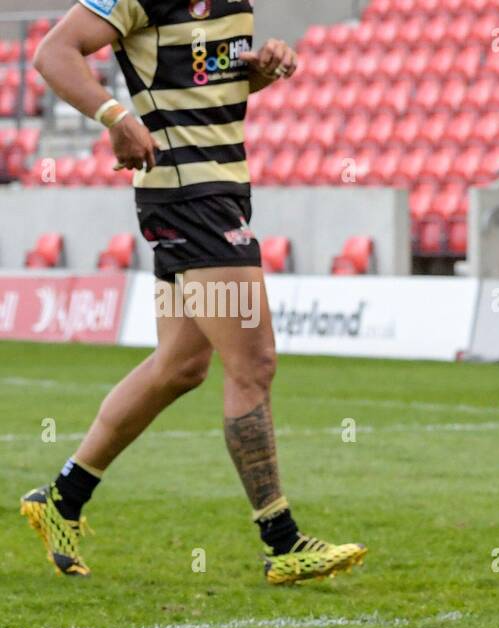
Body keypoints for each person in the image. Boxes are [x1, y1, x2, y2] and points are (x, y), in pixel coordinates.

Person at [21, 0, 365, 585]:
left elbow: (201, 86)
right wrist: (114, 115)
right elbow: (52, 52)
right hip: (190, 198)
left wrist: (259, 70)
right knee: (253, 363)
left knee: (179, 366)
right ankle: (282, 543)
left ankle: (62, 497)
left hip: (218, 190)